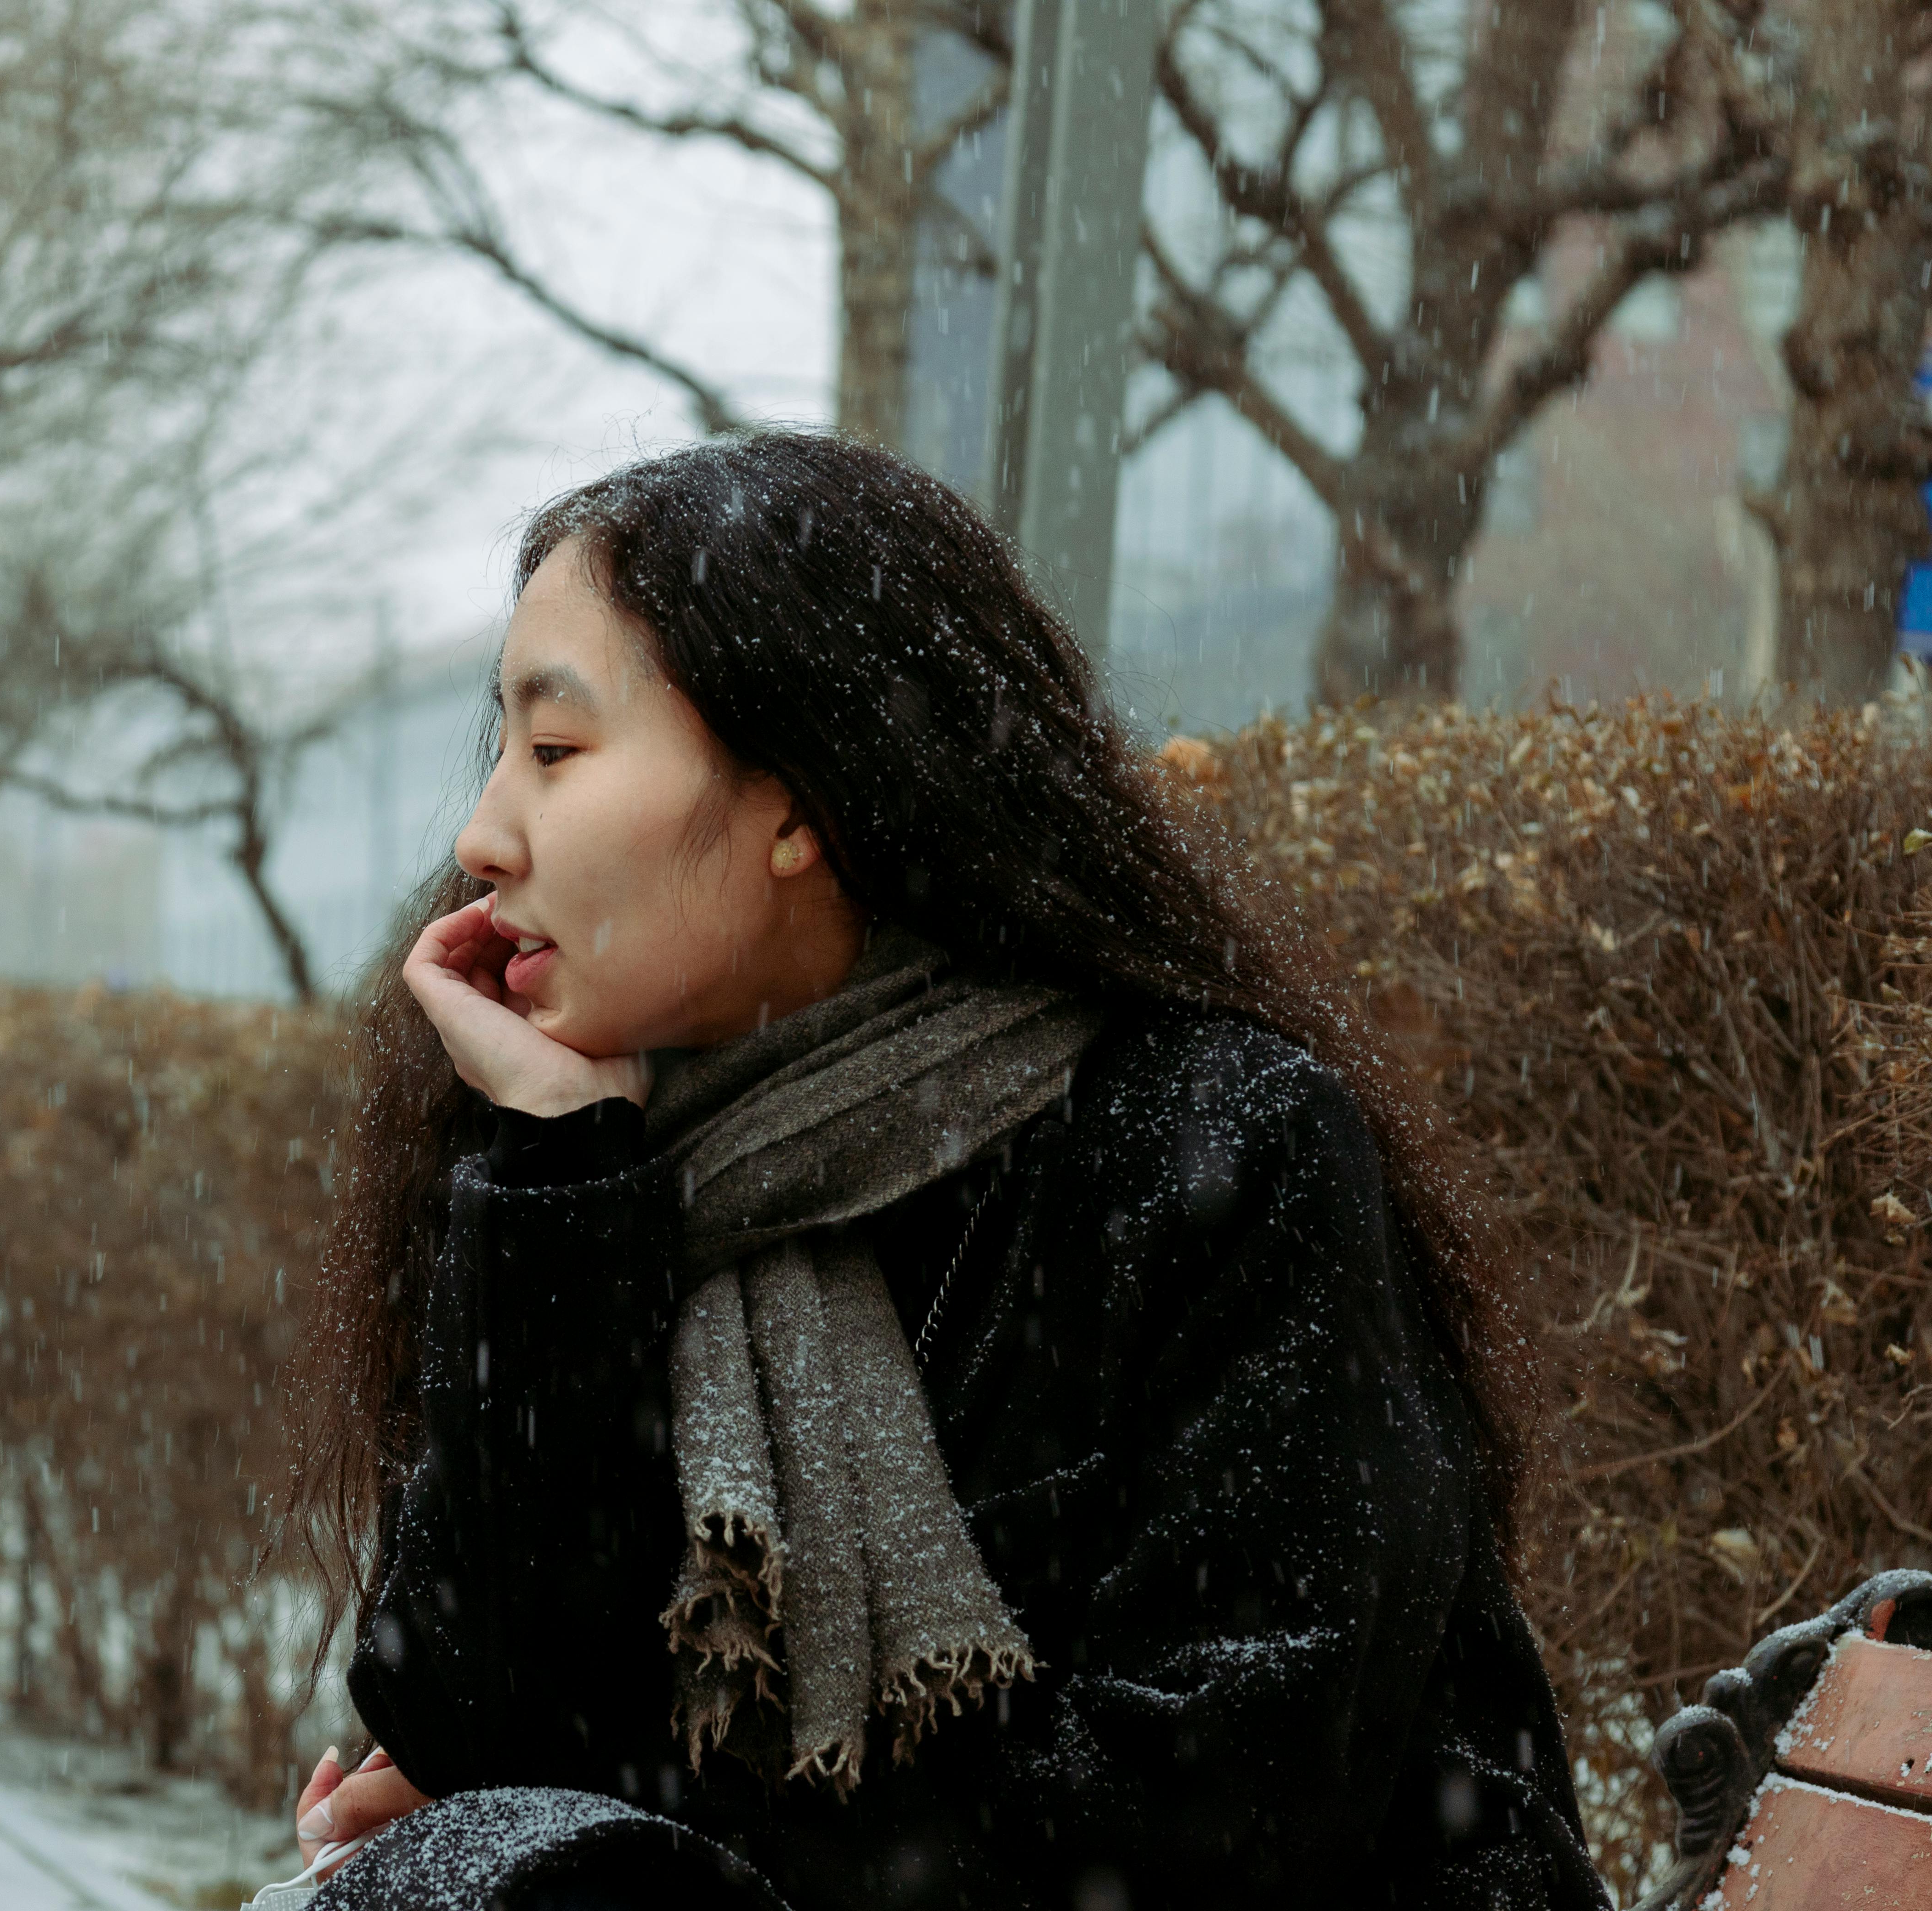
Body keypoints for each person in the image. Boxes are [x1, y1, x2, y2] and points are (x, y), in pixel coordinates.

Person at [277, 432, 1606, 1911]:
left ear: (801, 803)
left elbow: (1209, 1823)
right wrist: (557, 1178)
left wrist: (648, 1801)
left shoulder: (1211, 1147)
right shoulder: (604, 1173)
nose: (482, 834)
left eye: (559, 750)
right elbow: (474, 1710)